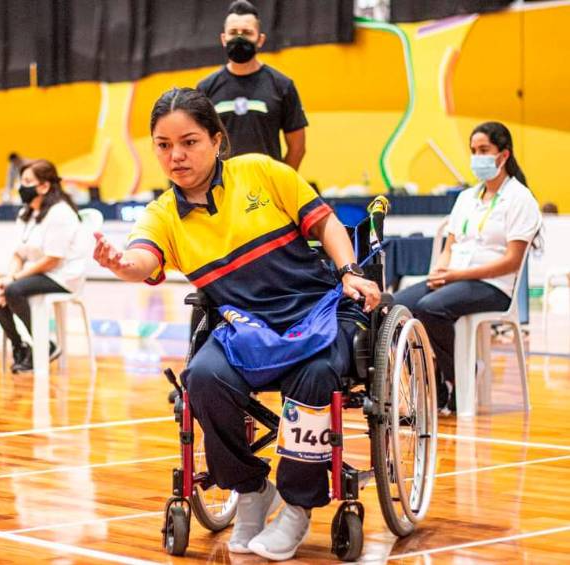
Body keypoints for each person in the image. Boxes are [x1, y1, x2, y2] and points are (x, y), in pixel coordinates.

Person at [93, 88, 379, 561]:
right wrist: (120, 263)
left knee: (315, 376)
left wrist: (349, 271)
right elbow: (142, 258)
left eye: (189, 141)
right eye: (163, 145)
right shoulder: (162, 213)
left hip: (313, 312)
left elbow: (326, 223)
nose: (176, 155)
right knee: (202, 379)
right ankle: (250, 491)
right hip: (244, 329)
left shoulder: (262, 172)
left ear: (217, 140)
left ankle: (295, 506)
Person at [394, 122, 541, 414]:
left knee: (430, 307)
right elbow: (450, 244)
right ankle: (432, 380)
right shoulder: (466, 198)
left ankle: (461, 373)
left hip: (494, 286)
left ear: (503, 155)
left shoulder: (520, 199)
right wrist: (441, 270)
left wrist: (456, 276)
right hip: (453, 279)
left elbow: (512, 261)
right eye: (474, 151)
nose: (478, 158)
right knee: (393, 308)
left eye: (484, 150)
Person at [0, 159, 88, 373]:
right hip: (38, 273)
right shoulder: (27, 214)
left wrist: (14, 280)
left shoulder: (60, 212)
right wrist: (8, 278)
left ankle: (45, 346)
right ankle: (20, 346)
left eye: (27, 181)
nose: (21, 187)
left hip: (63, 276)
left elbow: (53, 259)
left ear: (44, 186)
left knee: (14, 289)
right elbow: (18, 253)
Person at [197, 0, 308, 170]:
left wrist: (280, 184)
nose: (239, 37)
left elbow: (297, 148)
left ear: (260, 39)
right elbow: (197, 145)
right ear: (223, 38)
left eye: (247, 32)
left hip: (267, 190)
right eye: (233, 32)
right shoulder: (205, 89)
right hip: (221, 190)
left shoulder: (282, 85)